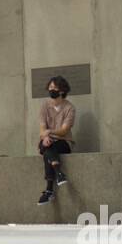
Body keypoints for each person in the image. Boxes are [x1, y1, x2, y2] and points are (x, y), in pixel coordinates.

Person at [38, 76, 76, 205]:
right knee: (46, 146)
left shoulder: (69, 108)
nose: (51, 90)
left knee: (48, 149)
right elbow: (42, 128)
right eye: (50, 88)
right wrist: (45, 136)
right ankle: (59, 173)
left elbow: (64, 131)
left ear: (62, 90)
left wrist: (50, 132)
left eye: (54, 88)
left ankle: (49, 190)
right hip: (48, 141)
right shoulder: (44, 106)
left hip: (64, 142)